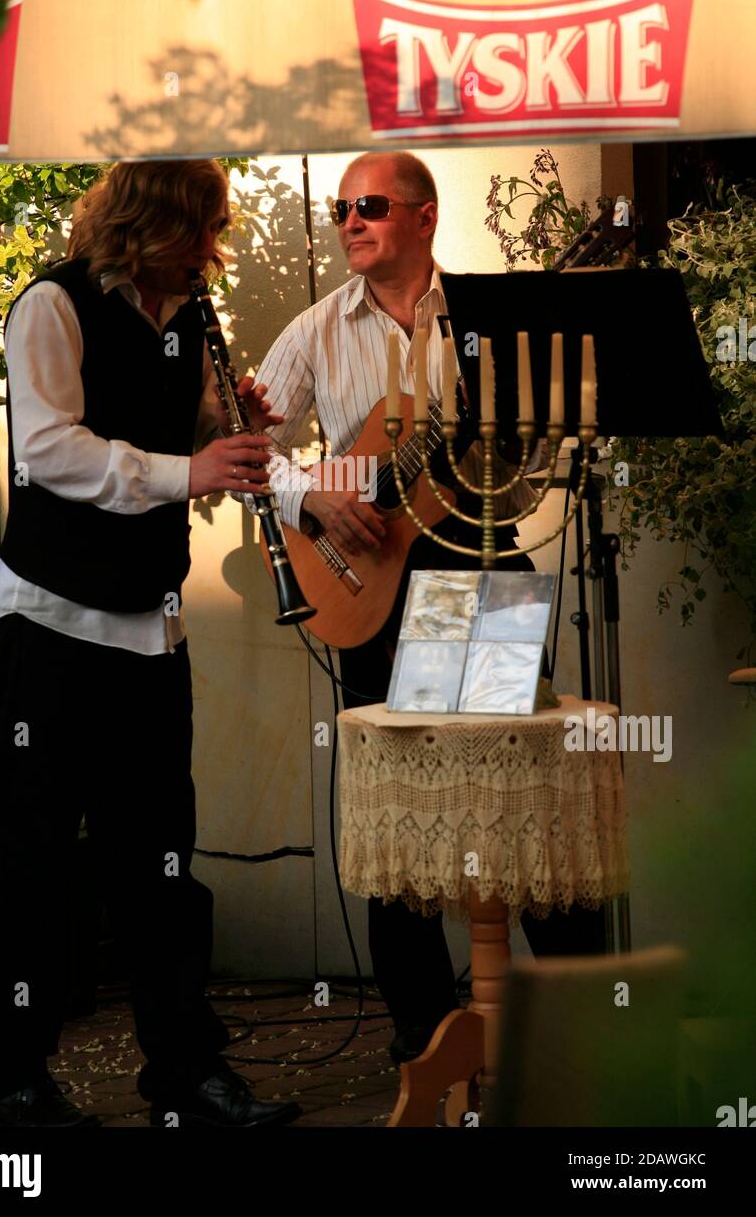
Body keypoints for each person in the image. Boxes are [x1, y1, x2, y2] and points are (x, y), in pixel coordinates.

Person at [0, 159, 301, 1128]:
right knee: (32, 861)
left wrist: (229, 424)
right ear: (149, 225)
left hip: (148, 627)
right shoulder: (51, 306)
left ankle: (186, 1075)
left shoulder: (187, 317)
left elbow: (180, 434)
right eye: (201, 229)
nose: (212, 249)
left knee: (160, 861)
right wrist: (187, 465)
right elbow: (50, 449)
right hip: (52, 619)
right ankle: (12, 1082)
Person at [255, 150, 607, 1065]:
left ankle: (583, 1034)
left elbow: (542, 442)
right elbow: (250, 448)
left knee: (520, 798)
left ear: (423, 216)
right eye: (340, 210)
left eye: (368, 206)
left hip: (475, 566)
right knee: (398, 825)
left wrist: (528, 432)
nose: (348, 222)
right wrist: (317, 500)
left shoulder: (487, 323)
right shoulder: (315, 331)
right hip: (367, 580)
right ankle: (423, 1044)